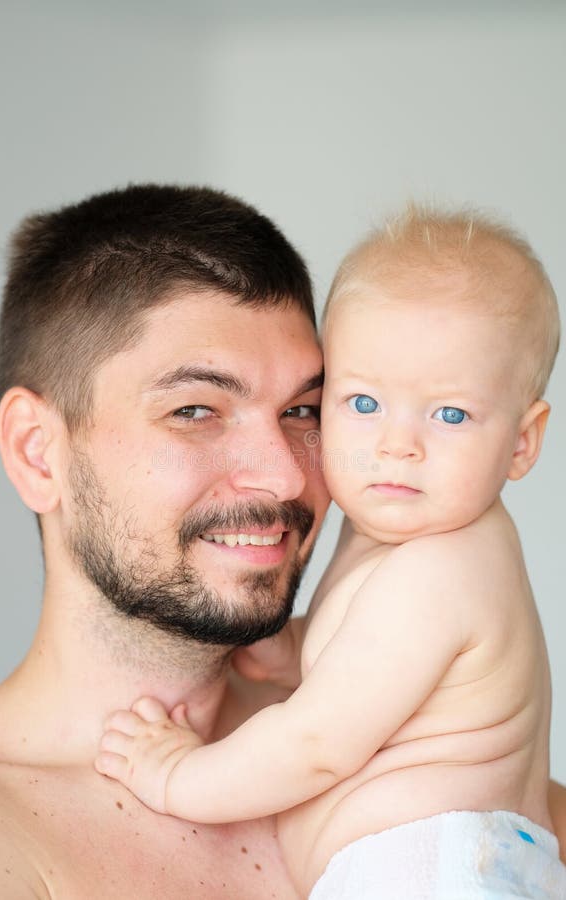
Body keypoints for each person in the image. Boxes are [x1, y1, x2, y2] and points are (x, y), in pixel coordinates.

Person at [95, 206, 566, 899]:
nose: (397, 445)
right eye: (364, 403)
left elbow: (316, 744)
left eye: (450, 414)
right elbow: (372, 663)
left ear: (523, 442)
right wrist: (293, 648)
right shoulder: (399, 533)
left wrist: (175, 775)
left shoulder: (442, 569)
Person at [0, 184, 331, 897]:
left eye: (302, 410)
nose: (286, 476)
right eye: (195, 410)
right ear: (38, 453)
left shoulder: (380, 743)